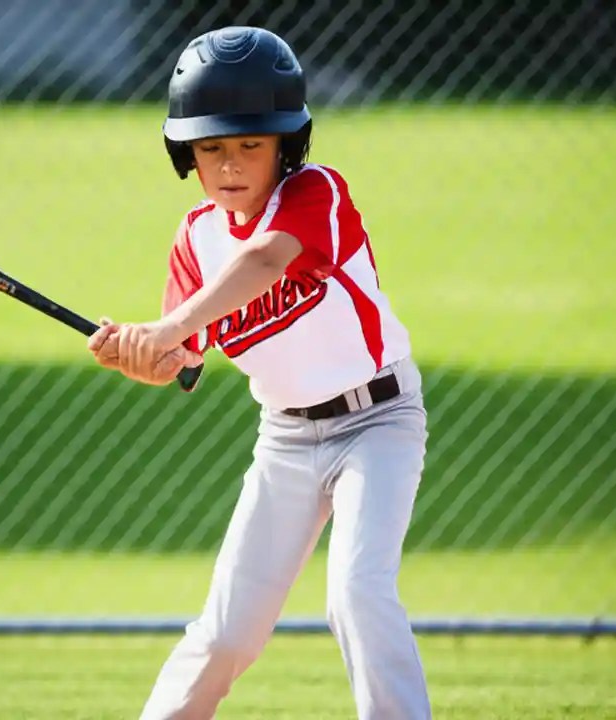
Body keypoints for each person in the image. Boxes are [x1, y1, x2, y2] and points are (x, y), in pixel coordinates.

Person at [87, 26, 432, 720]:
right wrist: (143, 353)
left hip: (378, 423)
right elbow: (181, 363)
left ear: (287, 145)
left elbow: (267, 262)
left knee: (358, 595)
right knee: (226, 632)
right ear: (187, 153)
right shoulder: (195, 239)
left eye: (252, 143)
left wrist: (171, 327)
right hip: (286, 442)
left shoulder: (316, 195)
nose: (232, 163)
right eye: (212, 147)